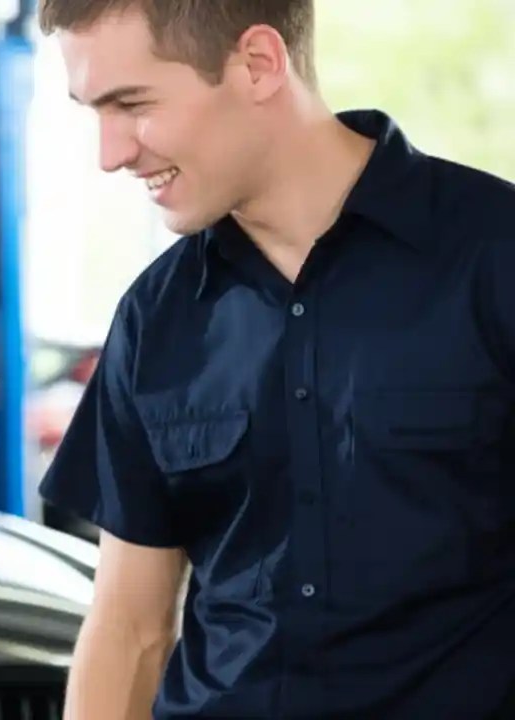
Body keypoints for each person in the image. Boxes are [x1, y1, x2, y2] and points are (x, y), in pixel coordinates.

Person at [35, 0, 515, 718]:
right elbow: (129, 629)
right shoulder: (154, 318)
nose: (110, 154)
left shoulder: (495, 258)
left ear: (258, 63)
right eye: (91, 112)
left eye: (131, 104)